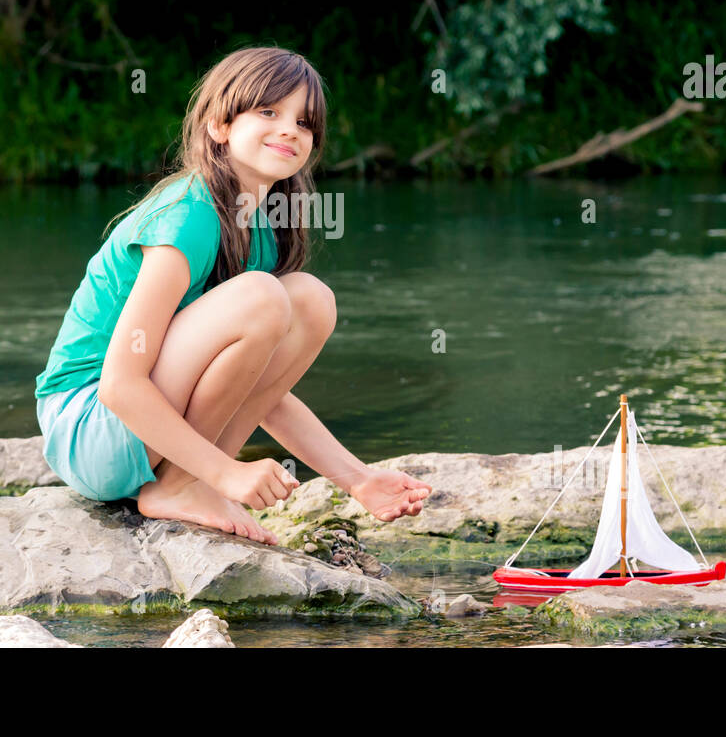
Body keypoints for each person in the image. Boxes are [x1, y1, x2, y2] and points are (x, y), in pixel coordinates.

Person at [35, 46, 432, 545]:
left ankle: (185, 480)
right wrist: (226, 472)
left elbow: (259, 390)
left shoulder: (263, 227)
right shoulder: (187, 215)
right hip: (93, 428)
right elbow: (119, 384)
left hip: (146, 431)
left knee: (311, 299)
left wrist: (357, 479)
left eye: (304, 123)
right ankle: (181, 485)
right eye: (268, 111)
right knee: (267, 296)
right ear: (219, 126)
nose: (290, 129)